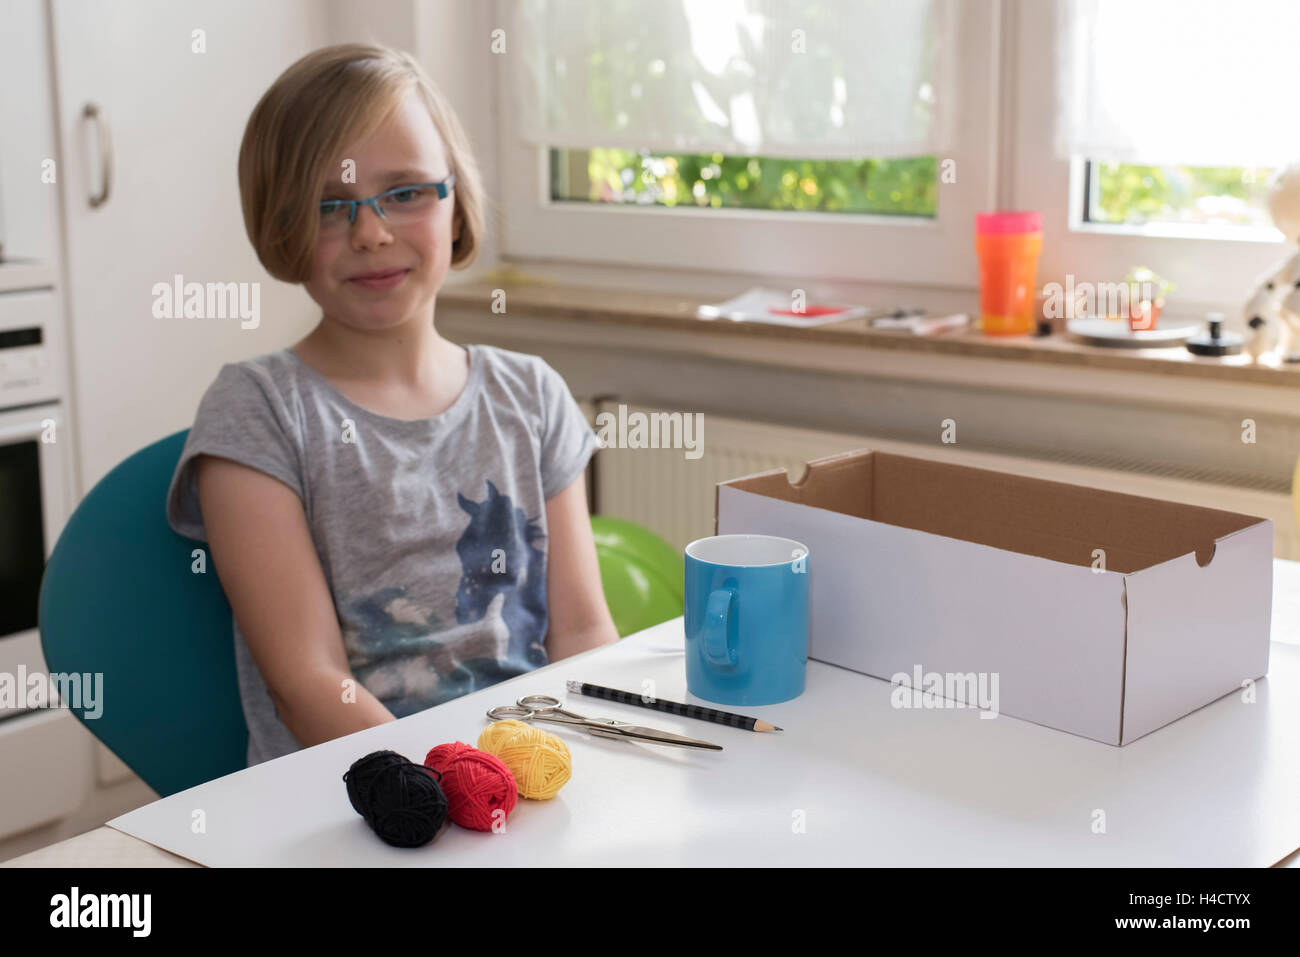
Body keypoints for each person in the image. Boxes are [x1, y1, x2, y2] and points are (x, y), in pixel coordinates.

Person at [166, 43, 619, 767]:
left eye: (405, 192)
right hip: (365, 799)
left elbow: (583, 633)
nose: (371, 232)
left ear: (455, 203)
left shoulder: (531, 393)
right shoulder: (256, 409)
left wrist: (575, 770)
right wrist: (448, 789)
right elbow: (308, 685)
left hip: (531, 782)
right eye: (329, 206)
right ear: (281, 227)